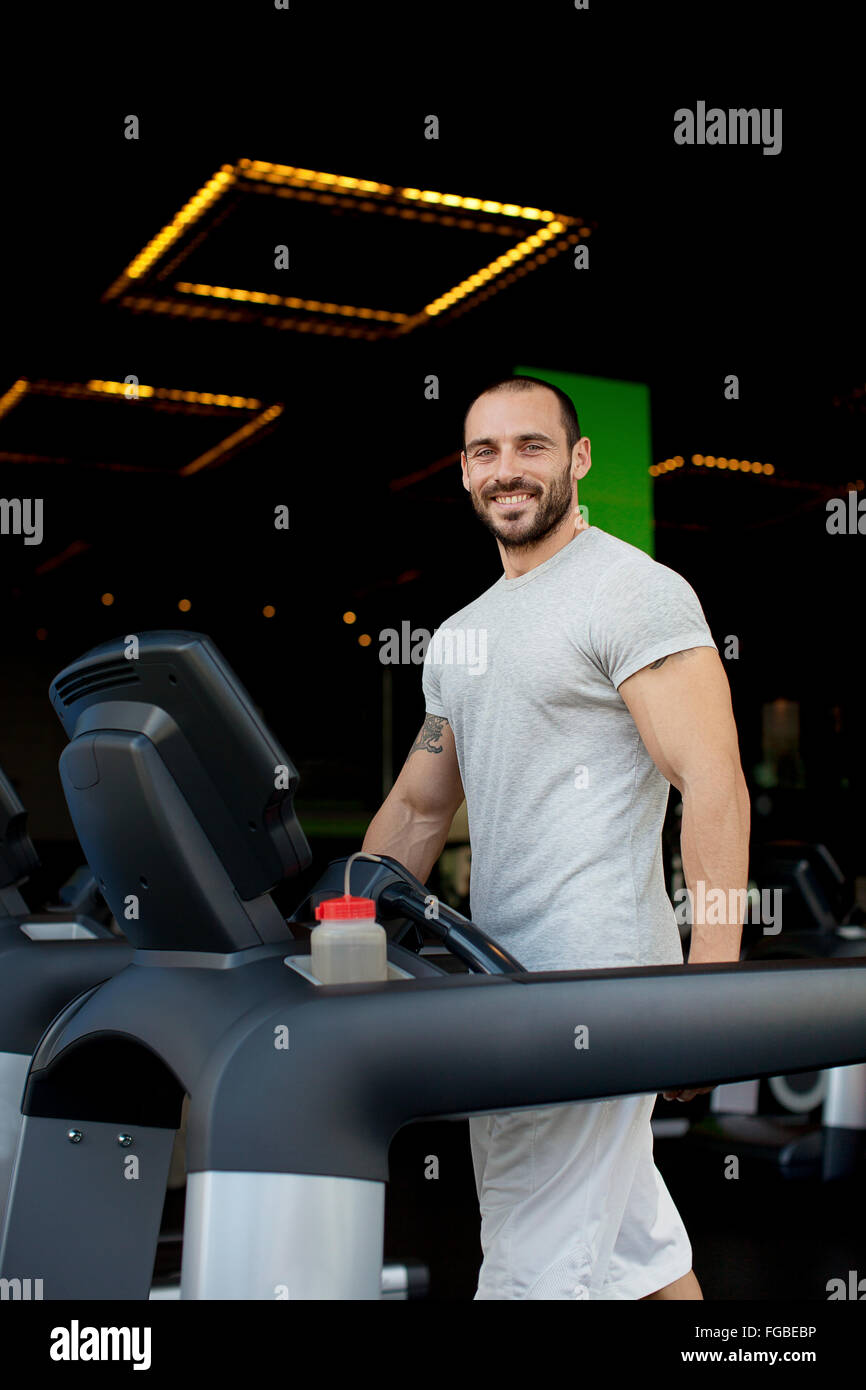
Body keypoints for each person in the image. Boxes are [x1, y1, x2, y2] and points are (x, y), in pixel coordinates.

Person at [362, 375, 750, 1300]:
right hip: (508, 984)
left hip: (594, 988)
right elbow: (419, 810)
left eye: (532, 447)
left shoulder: (631, 592)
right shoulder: (460, 637)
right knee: (635, 1262)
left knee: (533, 1277)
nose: (509, 471)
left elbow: (714, 784)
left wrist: (715, 993)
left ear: (577, 460)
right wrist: (326, 924)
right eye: (486, 453)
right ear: (463, 471)